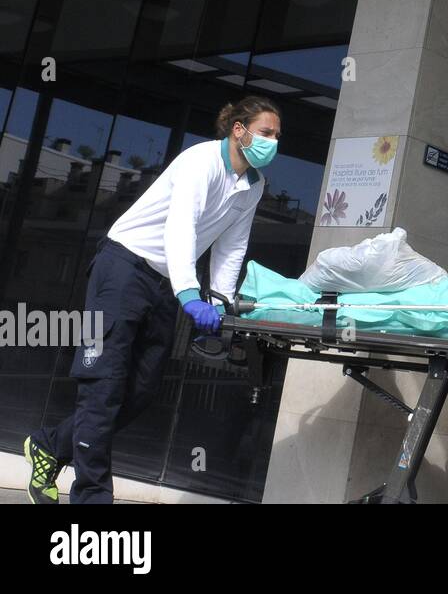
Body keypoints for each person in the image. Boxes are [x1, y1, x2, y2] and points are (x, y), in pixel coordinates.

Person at [23, 96, 281, 504]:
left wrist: (219, 303)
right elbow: (180, 228)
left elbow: (231, 248)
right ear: (239, 130)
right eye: (266, 132)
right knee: (103, 387)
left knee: (140, 392)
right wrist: (189, 294)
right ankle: (91, 501)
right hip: (122, 266)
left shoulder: (254, 186)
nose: (273, 142)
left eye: (276, 136)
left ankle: (52, 444)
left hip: (162, 282)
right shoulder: (200, 162)